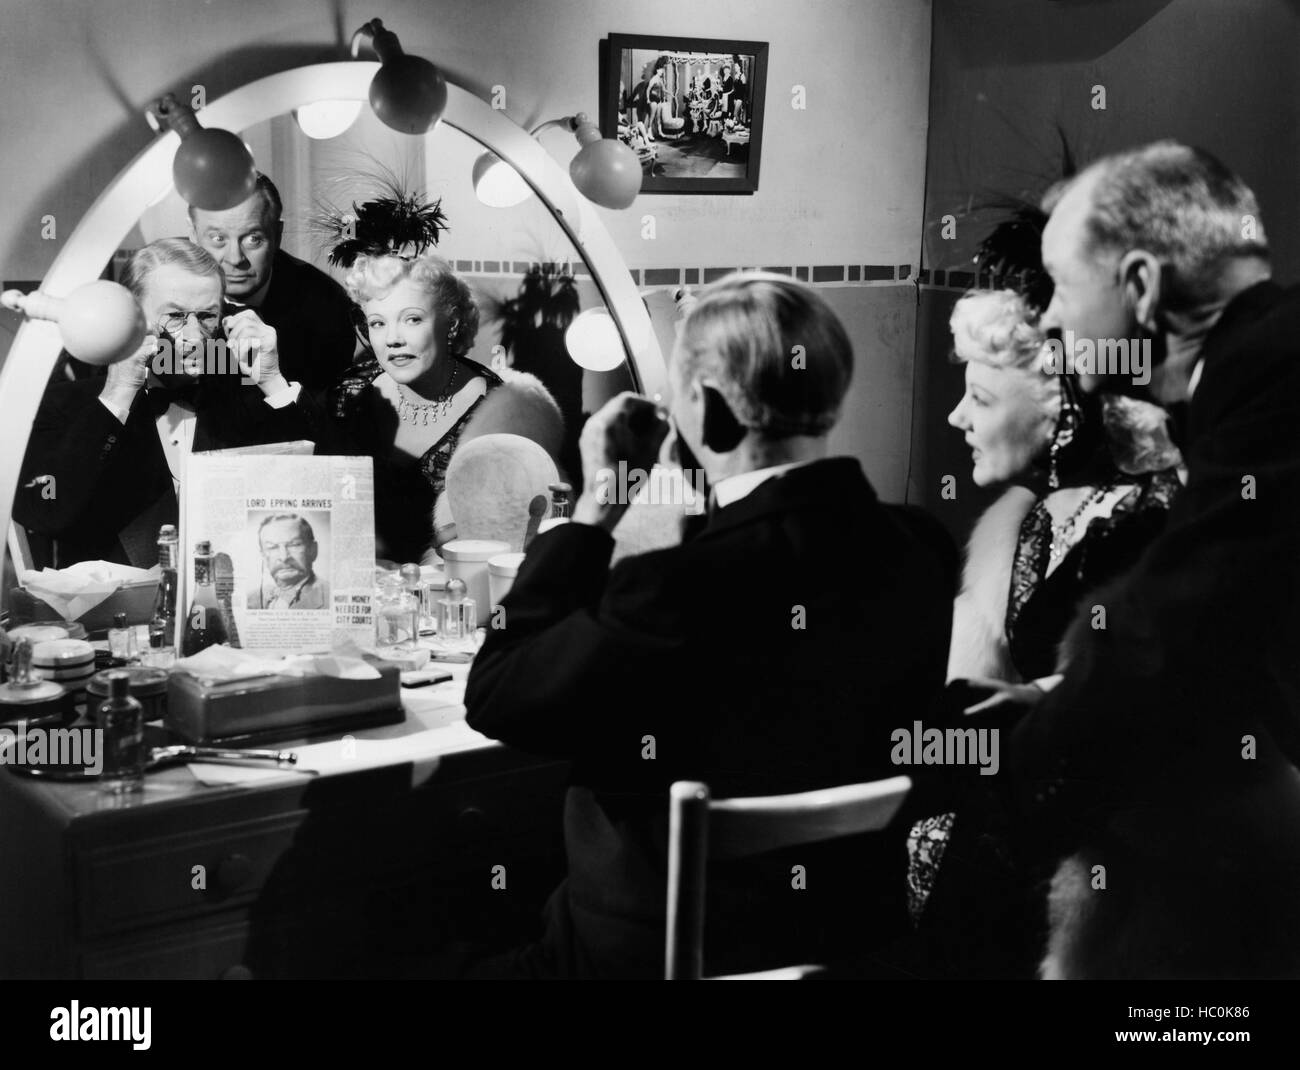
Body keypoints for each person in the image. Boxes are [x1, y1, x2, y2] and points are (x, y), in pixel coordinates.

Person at [458, 272, 958, 979]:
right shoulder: (921, 548)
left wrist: (598, 509)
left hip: (649, 954)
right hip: (845, 944)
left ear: (710, 410)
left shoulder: (670, 590)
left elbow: (497, 693)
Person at [968, 141, 1300, 978]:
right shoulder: (1239, 375)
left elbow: (1168, 631)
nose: (1045, 321)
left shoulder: (1269, 377)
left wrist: (1009, 792)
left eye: (1063, 290)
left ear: (1142, 287)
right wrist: (1055, 693)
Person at [903, 288, 1182, 977]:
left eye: (983, 399)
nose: (956, 415)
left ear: (1060, 405)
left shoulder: (1140, 522)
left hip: (1114, 870)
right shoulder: (1035, 521)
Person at [15, 239, 330, 568]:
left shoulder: (249, 399)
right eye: (177, 316)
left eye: (207, 317)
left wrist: (272, 381)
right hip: (112, 612)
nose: (195, 337)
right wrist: (118, 393)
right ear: (131, 316)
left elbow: (326, 496)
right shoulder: (61, 404)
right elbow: (45, 512)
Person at [330, 252, 562, 564]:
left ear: (450, 324)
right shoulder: (350, 392)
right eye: (378, 323)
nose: (393, 339)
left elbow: (513, 534)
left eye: (412, 319)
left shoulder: (496, 412)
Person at [191, 172, 357, 398]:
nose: (235, 258)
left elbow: (324, 420)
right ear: (193, 236)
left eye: (253, 239)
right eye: (218, 239)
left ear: (277, 235)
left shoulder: (326, 305)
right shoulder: (164, 294)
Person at [246, 513, 328, 610]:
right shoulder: (250, 600)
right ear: (263, 556)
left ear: (313, 550)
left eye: (294, 545)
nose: (284, 557)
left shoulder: (328, 598)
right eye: (272, 547)